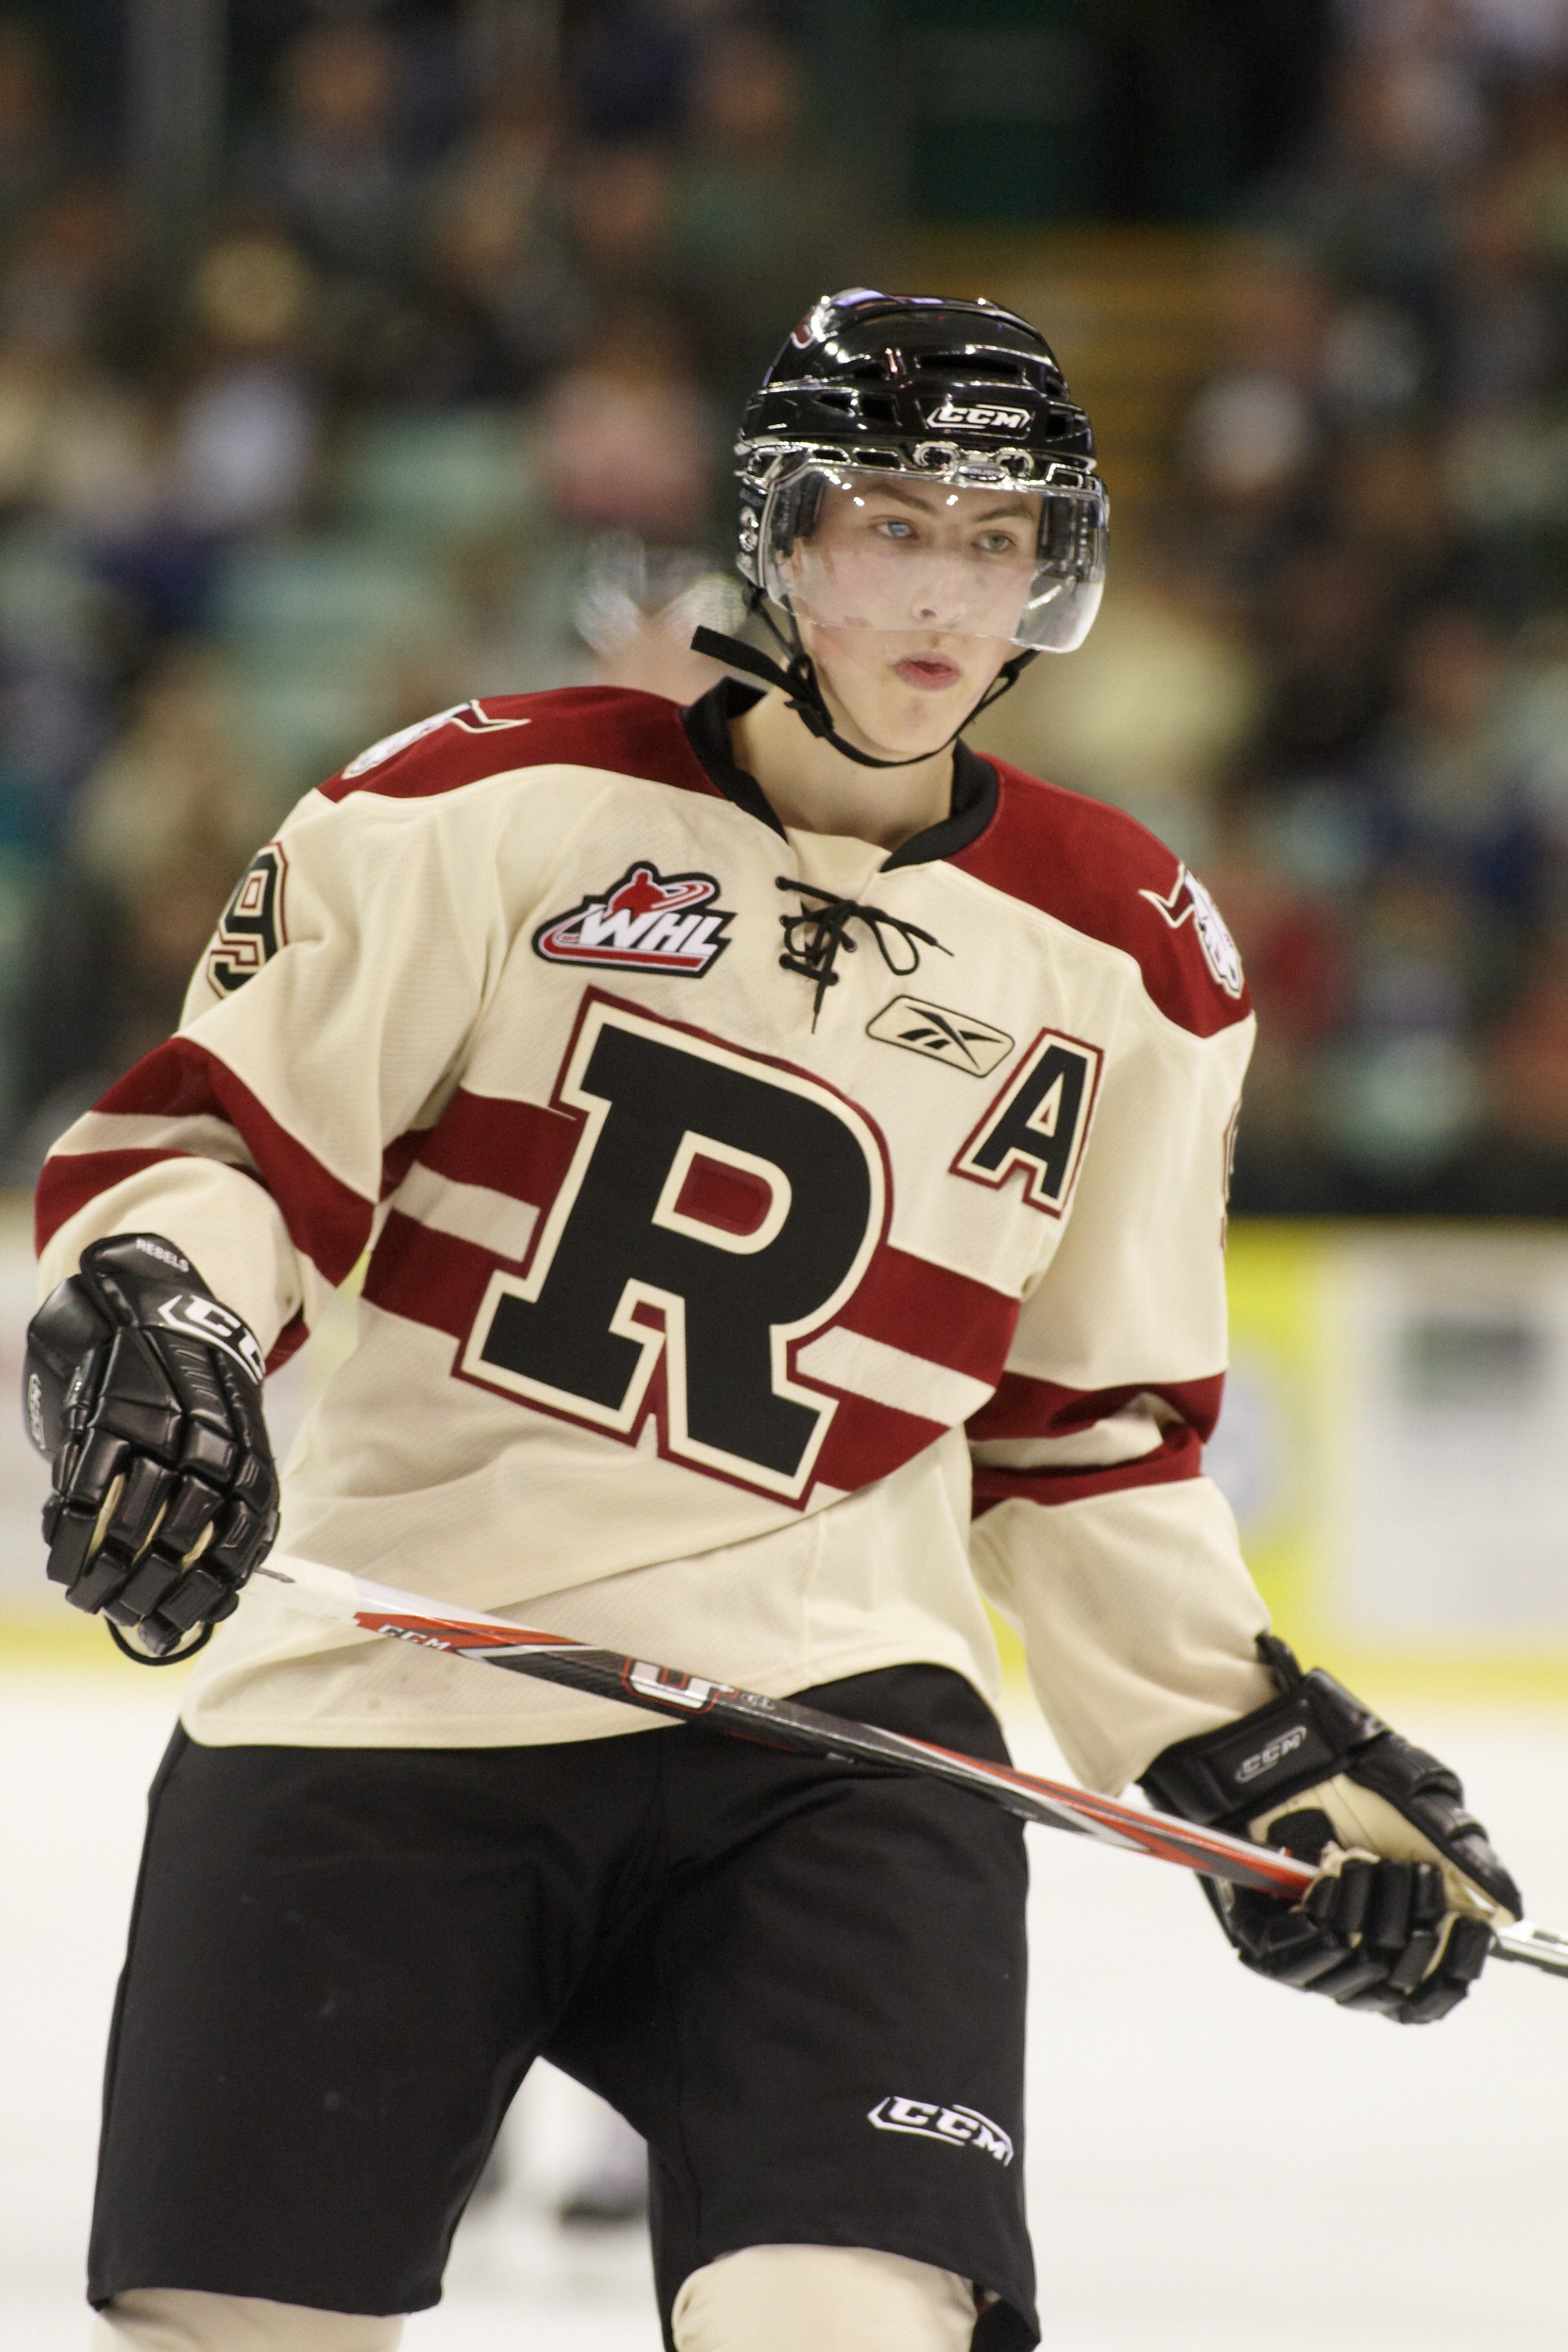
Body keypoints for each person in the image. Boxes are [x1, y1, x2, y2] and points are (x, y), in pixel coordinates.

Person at [24, 291, 1521, 2352]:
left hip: (833, 1737)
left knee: (848, 2325)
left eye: (997, 540)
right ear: (781, 536)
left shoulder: (1134, 960)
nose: (947, 595)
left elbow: (1082, 1439)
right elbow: (225, 1148)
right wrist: (163, 1313)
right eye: (892, 526)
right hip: (395, 1683)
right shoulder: (474, 809)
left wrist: (1248, 1757)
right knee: (227, 2328)